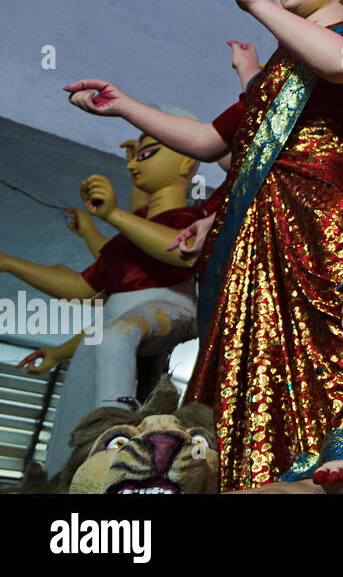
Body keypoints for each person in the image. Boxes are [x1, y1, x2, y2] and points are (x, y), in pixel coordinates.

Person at [64, 0, 343, 489]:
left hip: (324, 224)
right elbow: (210, 141)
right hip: (254, 237)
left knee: (331, 352)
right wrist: (125, 106)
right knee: (250, 361)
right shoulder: (277, 74)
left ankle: (333, 472)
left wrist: (257, 3)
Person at [3, 136, 205, 472]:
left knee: (115, 336)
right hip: (124, 321)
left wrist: (110, 215)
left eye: (147, 154)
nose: (132, 165)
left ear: (187, 164)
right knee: (98, 358)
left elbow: (178, 251)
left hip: (170, 308)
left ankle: (115, 434)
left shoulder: (193, 217)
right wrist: (9, 262)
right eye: (132, 156)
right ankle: (84, 458)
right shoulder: (126, 243)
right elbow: (82, 288)